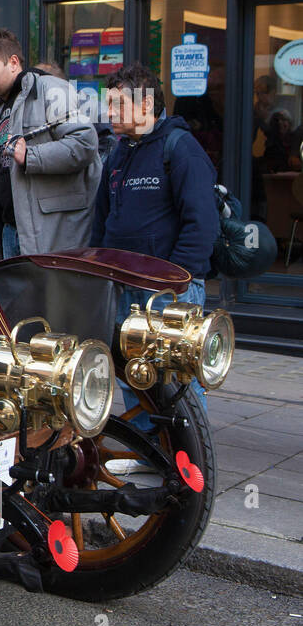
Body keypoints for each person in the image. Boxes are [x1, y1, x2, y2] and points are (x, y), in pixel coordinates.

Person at [92, 62, 219, 428]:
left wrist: (175, 279)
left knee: (178, 379)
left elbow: (202, 223)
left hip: (168, 290)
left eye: (118, 105)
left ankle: (189, 465)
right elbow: (102, 221)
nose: (109, 113)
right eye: (109, 104)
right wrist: (99, 270)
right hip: (121, 285)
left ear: (146, 105)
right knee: (133, 374)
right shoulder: (118, 152)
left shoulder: (180, 148)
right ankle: (149, 452)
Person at [0, 27, 100, 265]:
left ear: (13, 62)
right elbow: (9, 163)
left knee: (48, 303)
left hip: (49, 236)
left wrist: (32, 156)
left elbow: (85, 143)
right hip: (11, 230)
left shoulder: (50, 89)